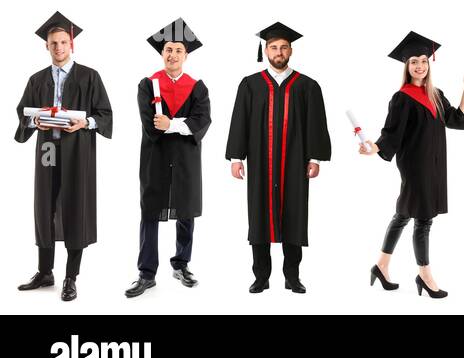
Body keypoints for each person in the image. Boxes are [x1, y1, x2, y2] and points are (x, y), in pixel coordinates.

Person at [360, 31, 464, 300]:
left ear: (429, 64)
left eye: (423, 60)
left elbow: (456, 119)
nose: (420, 66)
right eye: (414, 61)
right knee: (423, 218)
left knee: (403, 214)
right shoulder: (402, 97)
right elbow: (391, 134)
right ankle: (425, 275)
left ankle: (381, 265)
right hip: (414, 166)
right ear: (407, 66)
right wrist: (374, 147)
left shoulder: (435, 94)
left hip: (435, 165)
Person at [226, 22, 332, 294]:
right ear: (266, 49)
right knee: (259, 215)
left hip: (295, 163)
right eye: (273, 47)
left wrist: (315, 159)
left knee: (295, 215)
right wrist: (236, 157)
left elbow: (315, 125)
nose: (279, 51)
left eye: (284, 47)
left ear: (291, 50)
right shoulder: (250, 84)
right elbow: (240, 121)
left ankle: (292, 276)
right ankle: (261, 277)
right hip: (260, 164)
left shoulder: (307, 86)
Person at [15, 12, 113, 302]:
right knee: (44, 206)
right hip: (48, 148)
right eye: (53, 43)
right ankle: (45, 272)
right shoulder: (37, 79)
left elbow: (105, 114)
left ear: (72, 44)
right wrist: (35, 123)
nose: (58, 47)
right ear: (46, 46)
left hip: (76, 151)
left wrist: (86, 123)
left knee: (75, 207)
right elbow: (23, 113)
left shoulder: (89, 76)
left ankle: (71, 276)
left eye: (63, 42)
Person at [127, 18, 211, 298]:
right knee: (150, 212)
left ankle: (181, 264)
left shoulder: (197, 87)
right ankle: (146, 273)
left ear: (186, 55)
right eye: (168, 50)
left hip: (187, 160)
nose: (172, 54)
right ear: (162, 54)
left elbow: (203, 120)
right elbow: (149, 124)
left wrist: (172, 124)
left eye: (177, 50)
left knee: (186, 212)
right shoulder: (148, 85)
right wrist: (176, 125)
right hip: (155, 157)